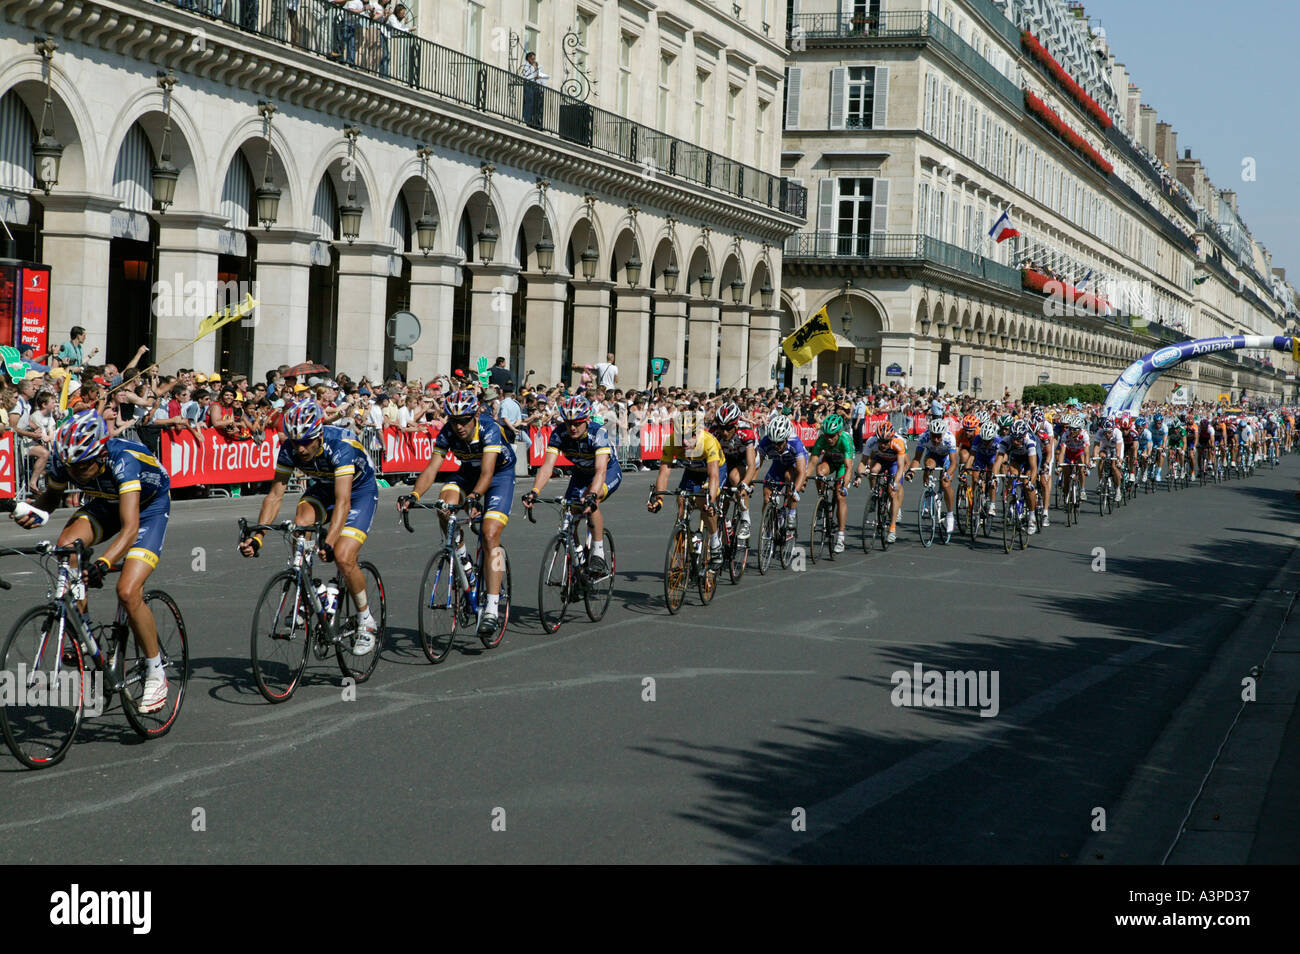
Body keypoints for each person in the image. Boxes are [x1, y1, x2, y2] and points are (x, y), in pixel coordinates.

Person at [14, 410, 173, 713]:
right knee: (65, 547)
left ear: (100, 454)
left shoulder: (122, 460)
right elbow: (50, 499)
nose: (75, 474)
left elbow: (129, 528)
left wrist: (101, 563)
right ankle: (83, 631)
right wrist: (33, 512)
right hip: (105, 502)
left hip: (148, 508)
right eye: (71, 467)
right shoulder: (68, 459)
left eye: (83, 467)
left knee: (127, 591)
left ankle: (156, 672)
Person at [238, 401, 381, 655]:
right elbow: (274, 496)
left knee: (344, 557)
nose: (300, 449)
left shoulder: (341, 446)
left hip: (358, 491)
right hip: (325, 487)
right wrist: (259, 536)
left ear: (319, 434)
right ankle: (312, 590)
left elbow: (343, 502)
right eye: (295, 442)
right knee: (300, 522)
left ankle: (366, 620)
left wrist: (331, 540)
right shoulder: (290, 448)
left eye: (306, 441)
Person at [397, 390, 516, 635]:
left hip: (497, 476)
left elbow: (487, 473)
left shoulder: (489, 429)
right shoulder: (448, 432)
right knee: (444, 506)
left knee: (490, 533)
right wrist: (414, 495)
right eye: (454, 420)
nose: (459, 426)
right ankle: (465, 563)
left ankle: (493, 608)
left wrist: (473, 498)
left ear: (475, 416)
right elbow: (432, 469)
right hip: (467, 472)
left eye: (464, 420)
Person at [523, 394, 618, 577]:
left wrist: (592, 494)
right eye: (568, 423)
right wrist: (534, 491)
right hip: (581, 473)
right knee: (569, 512)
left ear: (587, 420)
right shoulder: (559, 433)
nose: (572, 427)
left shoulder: (598, 433)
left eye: (577, 423)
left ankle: (598, 552)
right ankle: (580, 558)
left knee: (591, 500)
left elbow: (600, 471)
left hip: (607, 472)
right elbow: (547, 466)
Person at [650, 408, 725, 569]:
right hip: (693, 470)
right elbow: (663, 474)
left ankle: (715, 542)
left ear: (698, 432)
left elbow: (714, 476)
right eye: (680, 436)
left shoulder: (708, 442)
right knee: (681, 503)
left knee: (704, 501)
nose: (683, 441)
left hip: (713, 470)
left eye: (689, 435)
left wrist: (711, 501)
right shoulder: (672, 442)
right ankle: (679, 554)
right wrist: (659, 500)